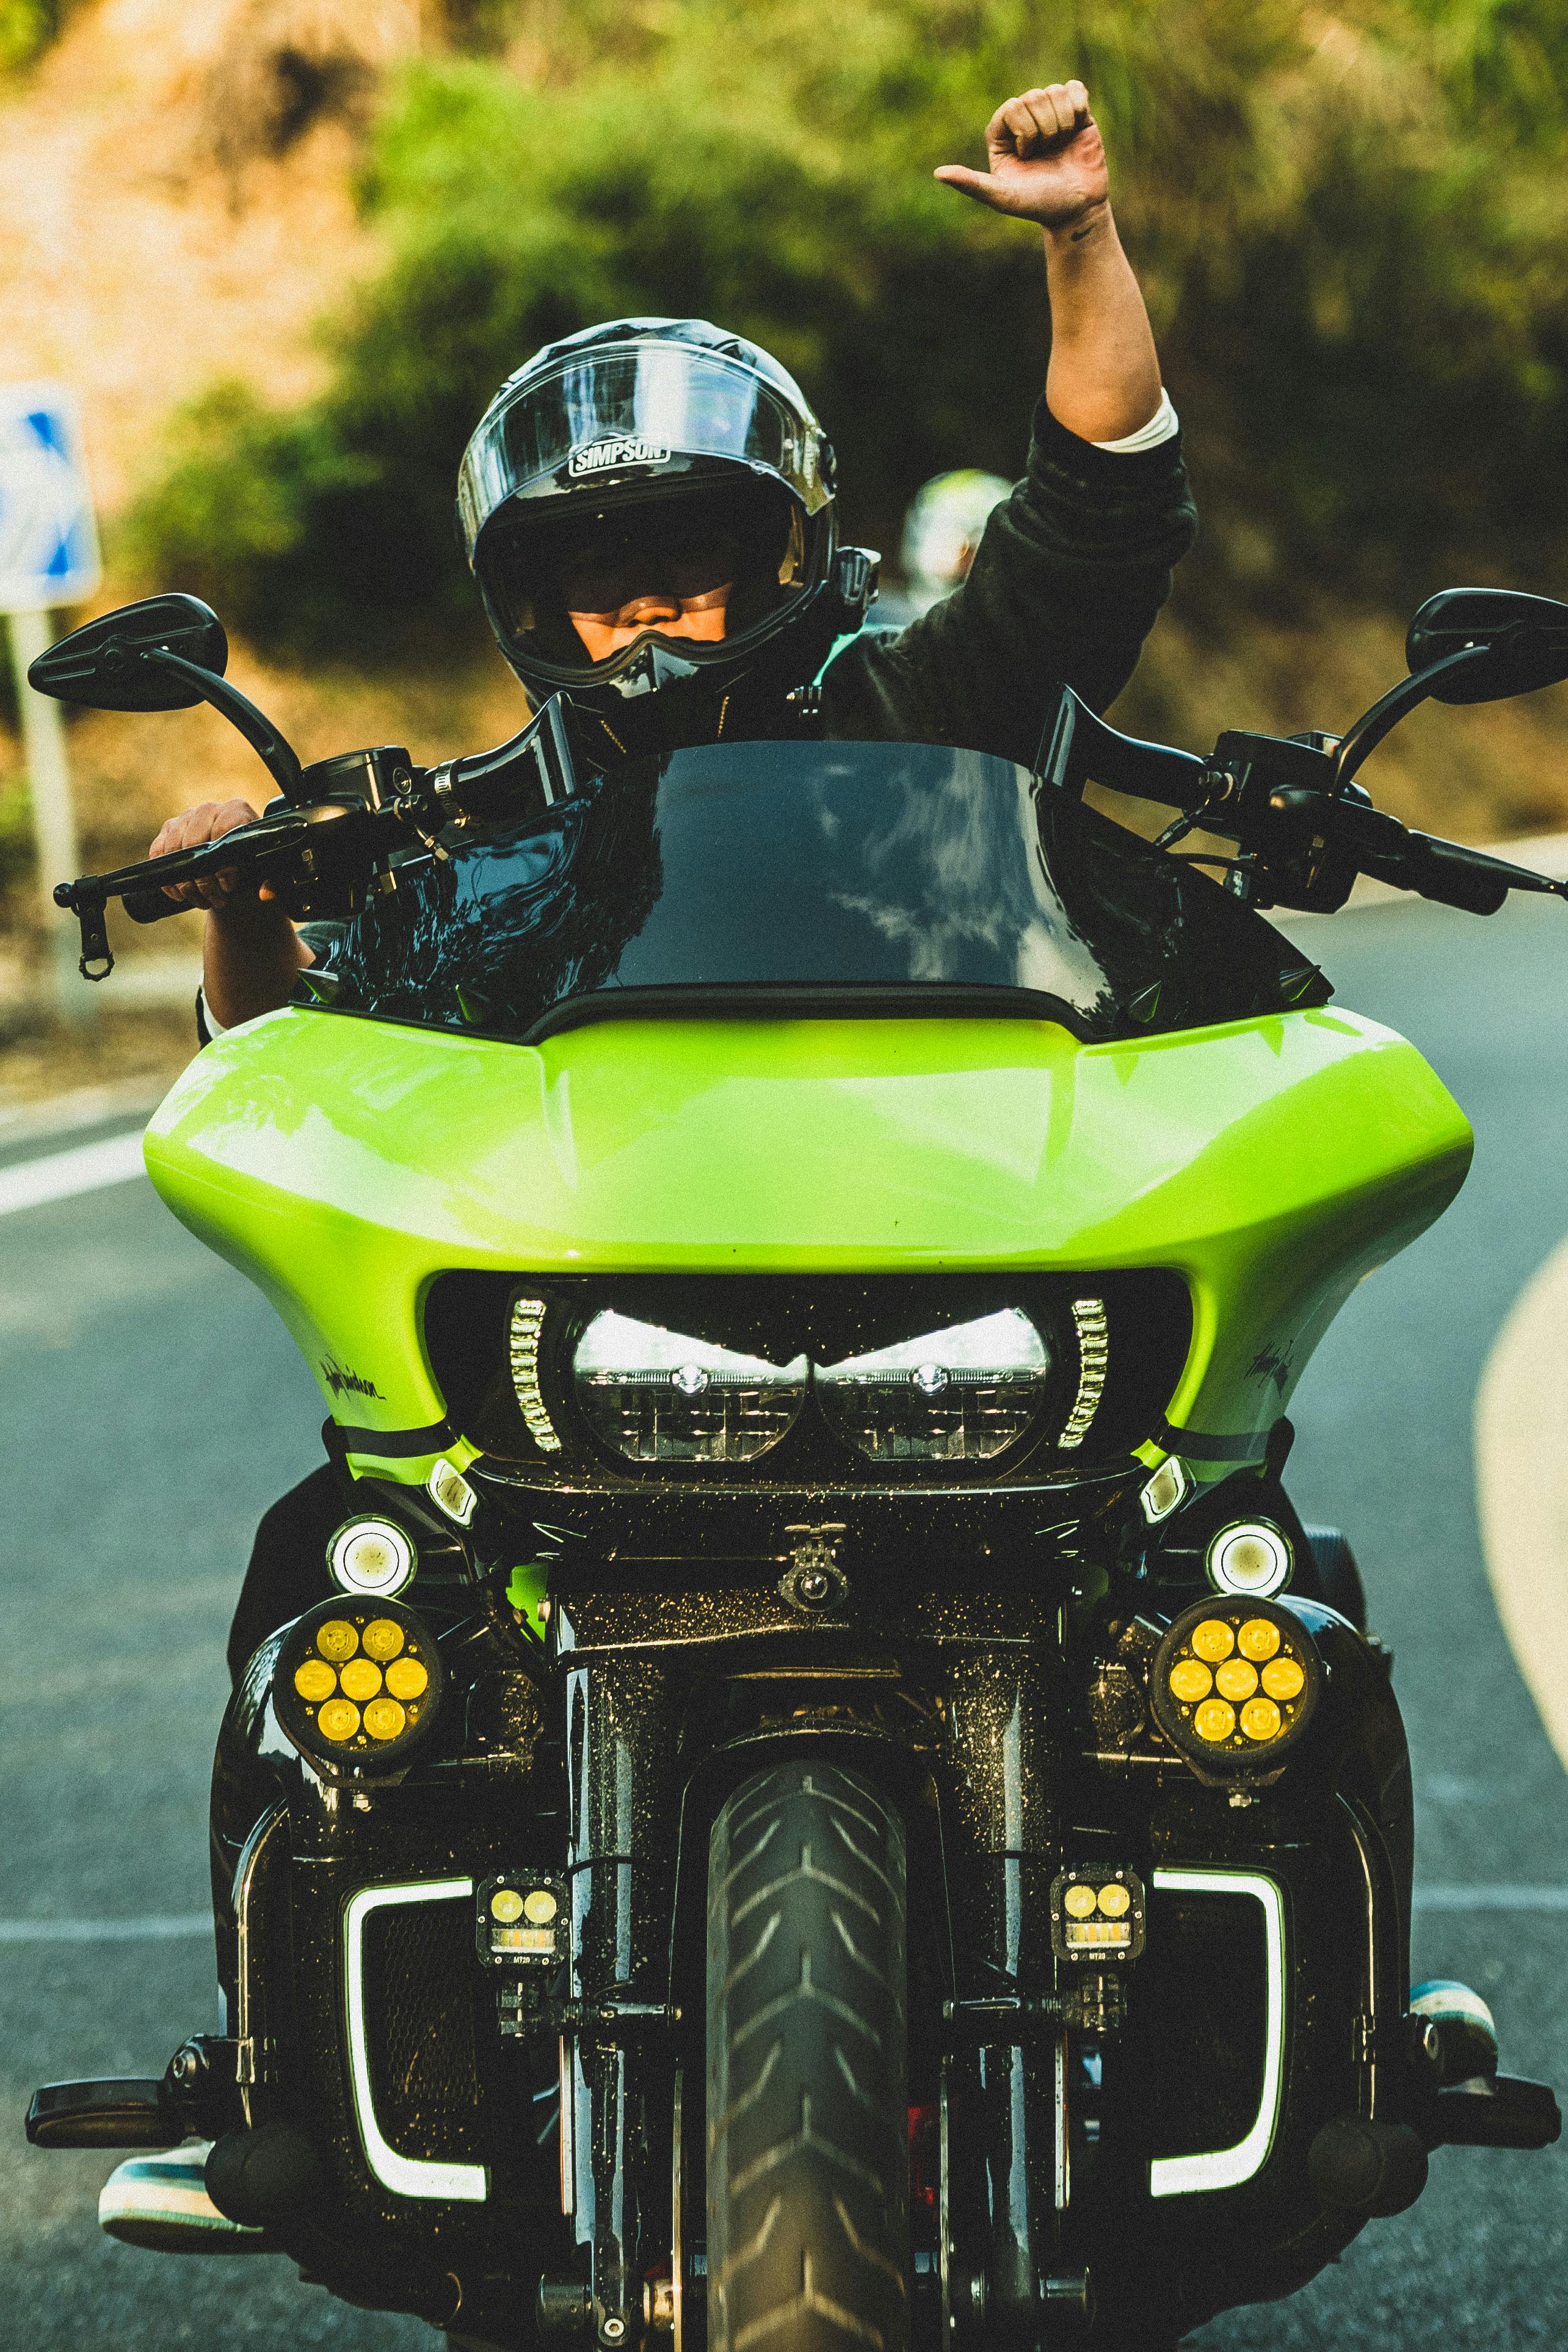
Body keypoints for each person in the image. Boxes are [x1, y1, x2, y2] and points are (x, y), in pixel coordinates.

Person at [149, 79, 1197, 1683]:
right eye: (594, 579)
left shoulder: (918, 706)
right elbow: (290, 1058)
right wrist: (240, 889)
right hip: (613, 1353)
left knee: (1216, 1559)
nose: (643, 612)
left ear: (779, 550)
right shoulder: (488, 823)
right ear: (538, 610)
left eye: (687, 560)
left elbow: (1098, 516)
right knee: (333, 1587)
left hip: (957, 1284)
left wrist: (1084, 238)